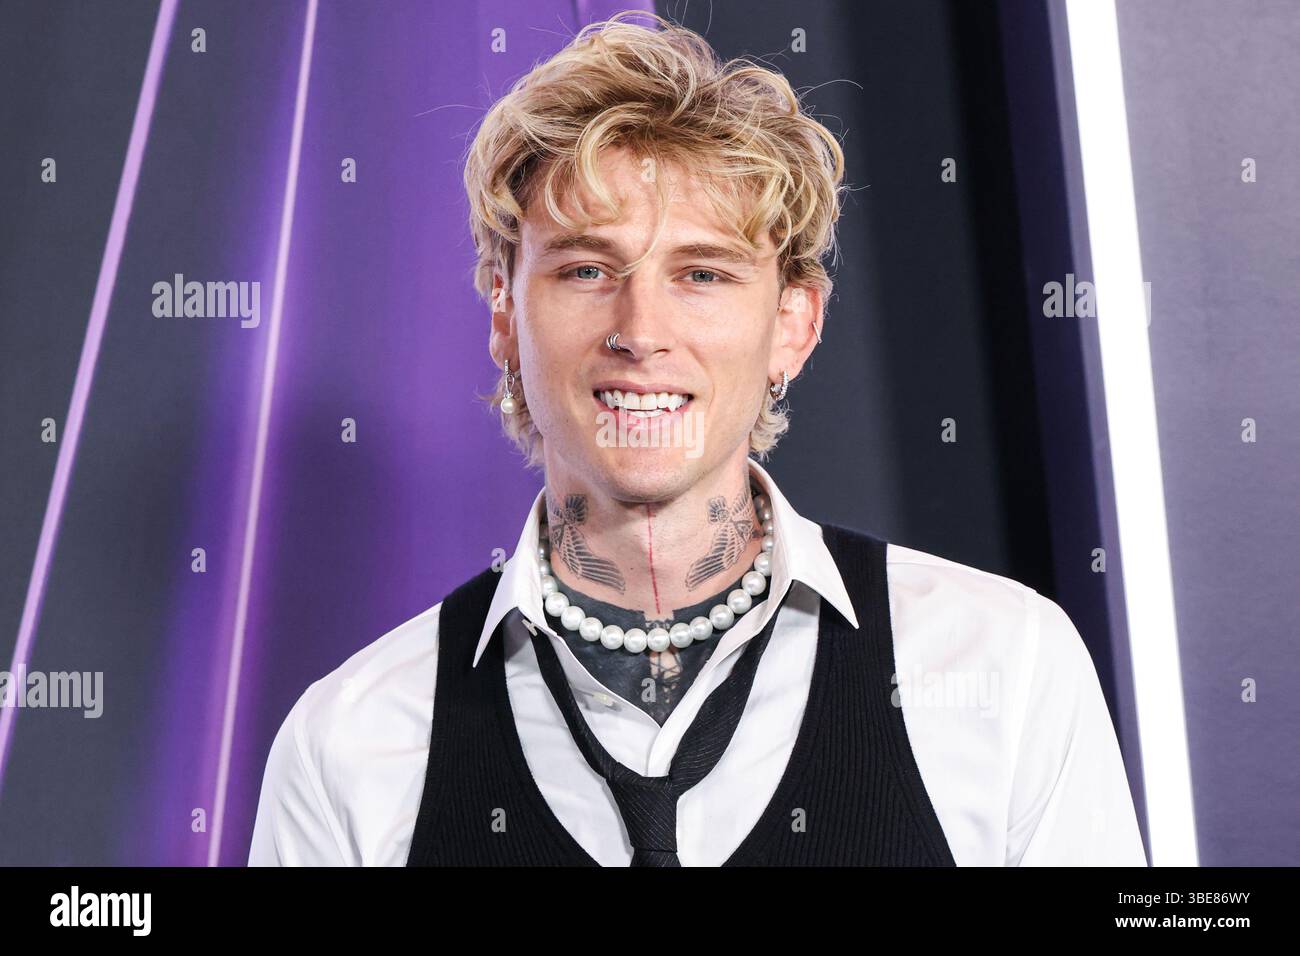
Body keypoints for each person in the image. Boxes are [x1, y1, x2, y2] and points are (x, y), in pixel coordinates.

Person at [249, 10, 1147, 866]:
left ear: (793, 323)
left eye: (703, 272)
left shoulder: (1003, 664)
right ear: (503, 312)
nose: (641, 330)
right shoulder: (352, 741)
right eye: (587, 268)